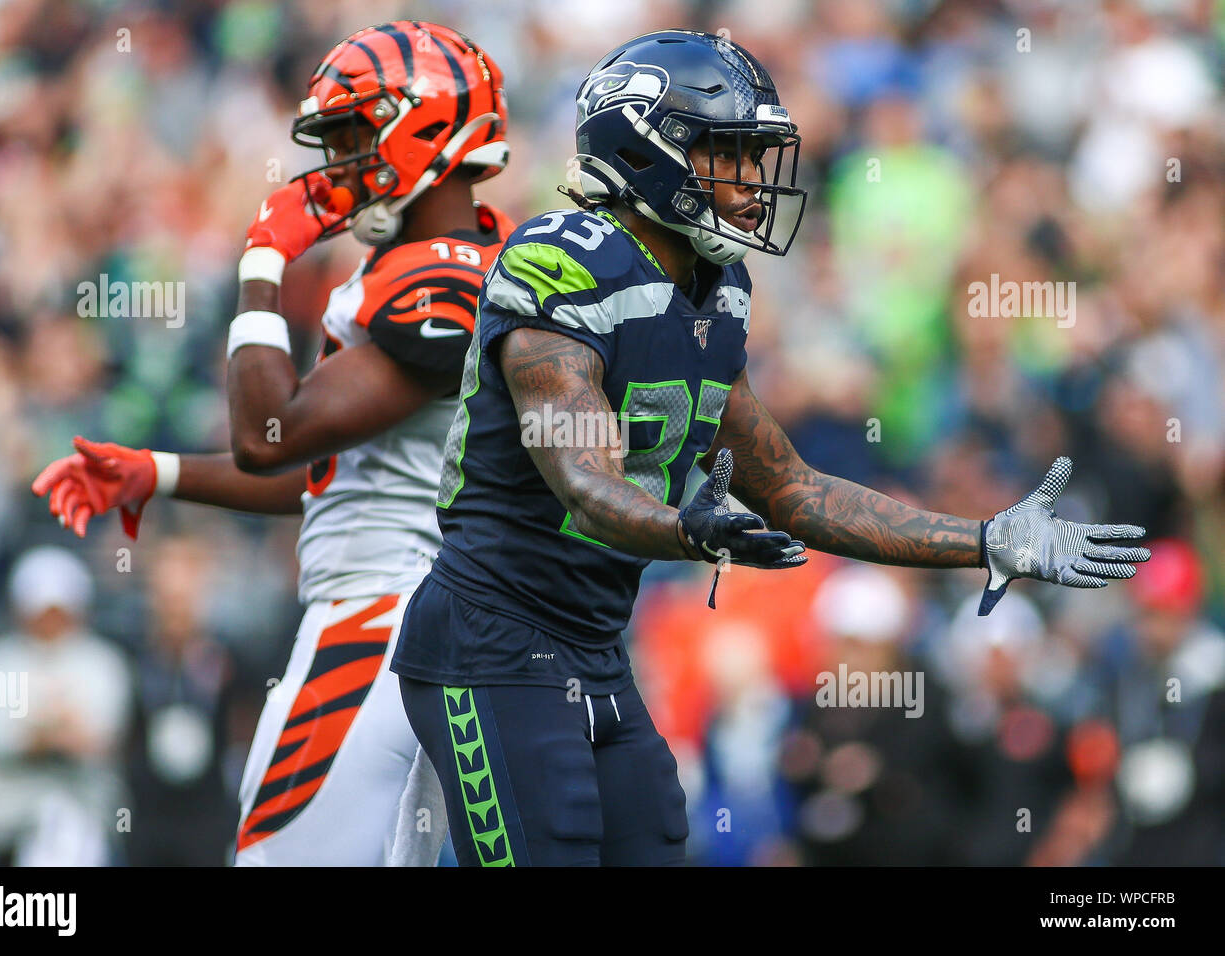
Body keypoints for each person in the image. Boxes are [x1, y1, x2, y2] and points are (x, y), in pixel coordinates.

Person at [390, 29, 1152, 866]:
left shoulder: (715, 292)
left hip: (595, 646)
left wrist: (984, 539)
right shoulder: (561, 265)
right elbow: (582, 479)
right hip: (491, 640)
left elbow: (792, 489)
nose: (754, 183)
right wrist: (690, 530)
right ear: (647, 151)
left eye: (757, 157)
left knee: (654, 842)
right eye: (731, 154)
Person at [31, 20, 513, 865]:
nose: (339, 164)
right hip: (422, 623)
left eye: (357, 134)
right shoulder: (455, 261)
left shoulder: (440, 274)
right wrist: (159, 472)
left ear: (428, 126)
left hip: (372, 624)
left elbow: (267, 435)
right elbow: (333, 472)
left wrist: (261, 259)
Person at [0, 546, 131, 865]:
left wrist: (38, 729)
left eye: (59, 611)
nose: (50, 622)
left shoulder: (103, 662)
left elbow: (104, 737)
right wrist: (47, 732)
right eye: (41, 611)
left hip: (87, 817)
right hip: (6, 825)